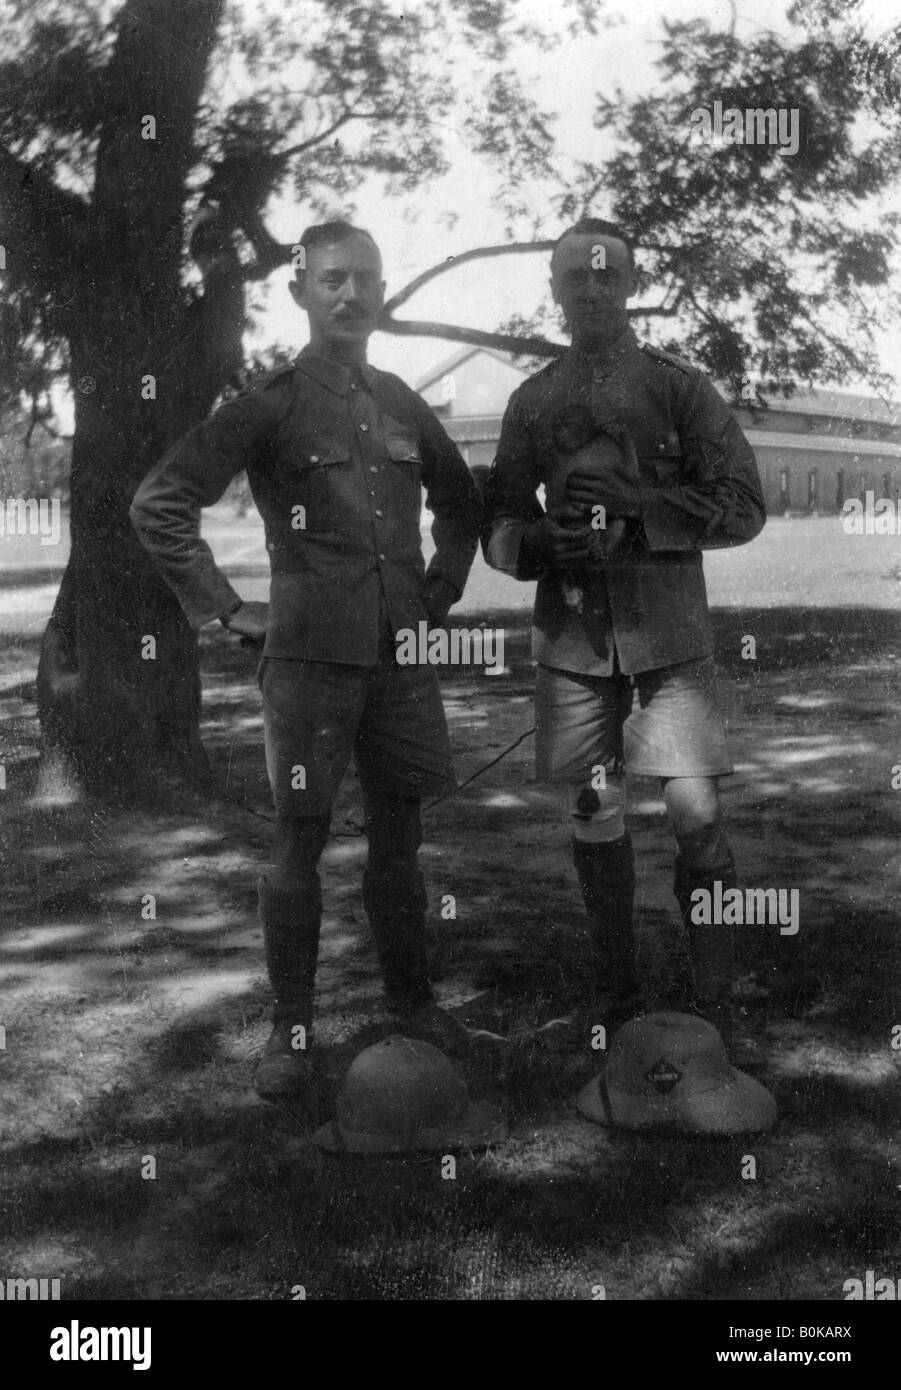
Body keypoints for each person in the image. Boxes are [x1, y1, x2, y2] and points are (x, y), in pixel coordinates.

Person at [131, 220, 485, 1103]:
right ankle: (291, 1033)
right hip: (307, 664)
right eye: (331, 279)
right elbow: (159, 500)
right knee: (299, 840)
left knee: (401, 839)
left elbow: (461, 502)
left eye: (365, 278)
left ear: (380, 290)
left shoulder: (404, 399)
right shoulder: (271, 402)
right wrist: (223, 607)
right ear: (300, 293)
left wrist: (439, 588)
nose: (350, 295)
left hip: (401, 656)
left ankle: (413, 1005)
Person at [481, 217, 767, 1062]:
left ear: (632, 284)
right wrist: (538, 545)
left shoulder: (679, 389)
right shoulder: (531, 399)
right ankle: (615, 996)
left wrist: (642, 509)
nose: (593, 289)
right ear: (556, 291)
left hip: (668, 642)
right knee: (593, 811)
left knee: (696, 817)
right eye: (576, 276)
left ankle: (719, 998)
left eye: (608, 275)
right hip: (572, 645)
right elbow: (500, 518)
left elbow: (745, 508)